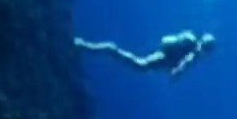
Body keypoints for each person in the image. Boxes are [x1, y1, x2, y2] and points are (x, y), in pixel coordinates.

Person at [74, 29, 217, 77]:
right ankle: (106, 48)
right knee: (141, 65)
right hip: (165, 57)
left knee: (141, 65)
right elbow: (187, 61)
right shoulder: (194, 49)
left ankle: (89, 46)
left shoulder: (190, 39)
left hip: (165, 55)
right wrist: (177, 71)